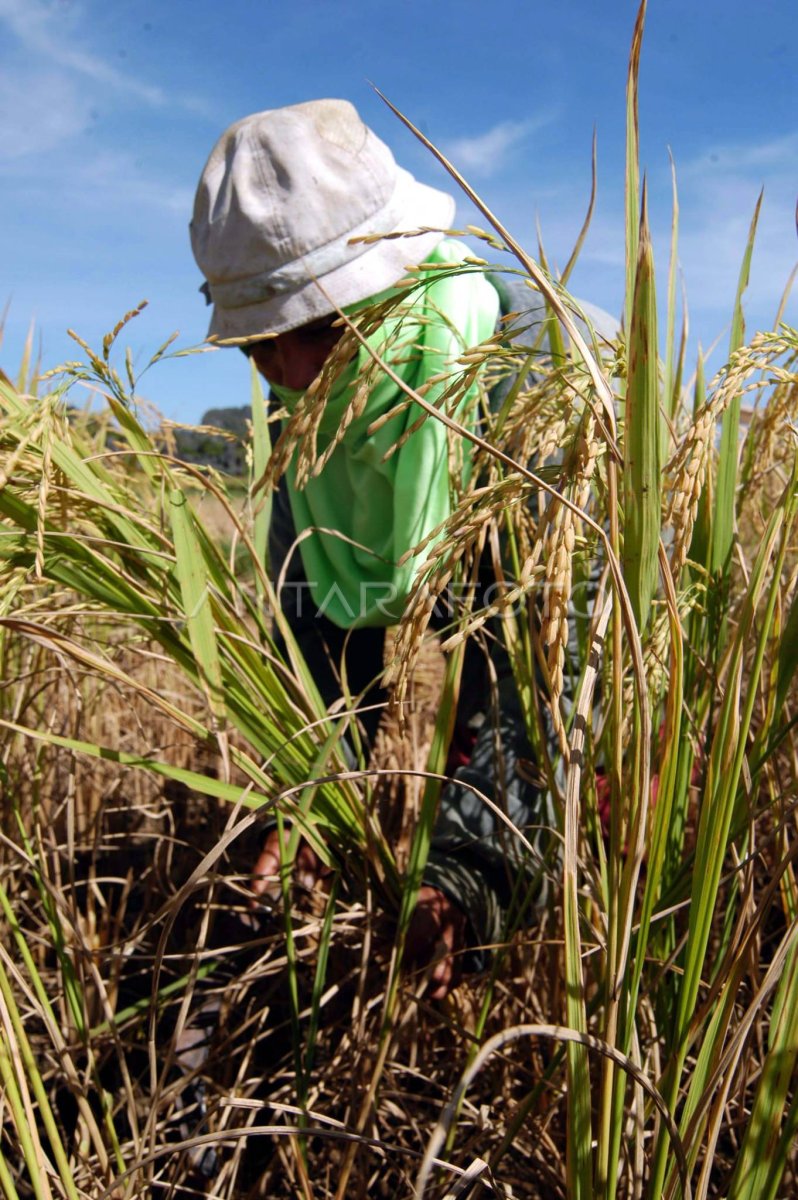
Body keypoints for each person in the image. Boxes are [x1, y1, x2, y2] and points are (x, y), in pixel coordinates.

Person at [189, 98, 609, 1000]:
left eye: (323, 327)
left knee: (582, 780)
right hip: (470, 583)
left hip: (580, 580)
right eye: (263, 345)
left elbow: (556, 672)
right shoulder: (301, 404)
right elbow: (315, 641)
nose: (293, 373)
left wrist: (462, 885)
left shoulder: (529, 378)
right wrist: (308, 803)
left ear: (392, 285)